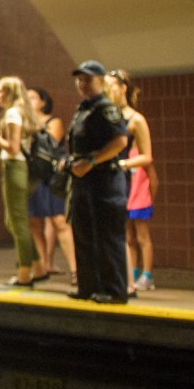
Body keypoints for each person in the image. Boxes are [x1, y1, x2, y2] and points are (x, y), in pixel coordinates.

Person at [64, 61, 130, 305]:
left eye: (88, 79)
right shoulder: (83, 108)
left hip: (104, 180)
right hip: (84, 180)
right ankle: (88, 286)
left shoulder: (105, 109)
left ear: (101, 81)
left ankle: (114, 291)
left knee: (107, 237)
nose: (82, 84)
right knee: (83, 234)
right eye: (79, 79)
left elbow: (120, 141)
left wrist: (91, 161)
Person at [0, 76, 41, 286]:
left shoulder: (13, 113)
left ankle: (24, 272)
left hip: (15, 166)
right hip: (13, 166)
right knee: (12, 220)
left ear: (8, 93)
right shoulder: (17, 112)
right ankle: (39, 266)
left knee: (18, 220)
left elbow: (13, 147)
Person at [106, 68, 158, 293]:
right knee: (119, 232)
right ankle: (122, 275)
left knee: (134, 232)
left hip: (125, 178)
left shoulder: (136, 119)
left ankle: (139, 278)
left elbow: (147, 156)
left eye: (110, 86)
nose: (106, 91)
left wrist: (124, 164)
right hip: (105, 177)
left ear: (122, 88)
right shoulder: (105, 114)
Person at [26, 86, 76, 284]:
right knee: (35, 223)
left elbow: (50, 143)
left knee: (60, 221)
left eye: (32, 98)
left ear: (43, 102)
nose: (28, 101)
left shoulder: (53, 122)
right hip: (34, 177)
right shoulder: (23, 123)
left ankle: (75, 270)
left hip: (53, 178)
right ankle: (41, 267)